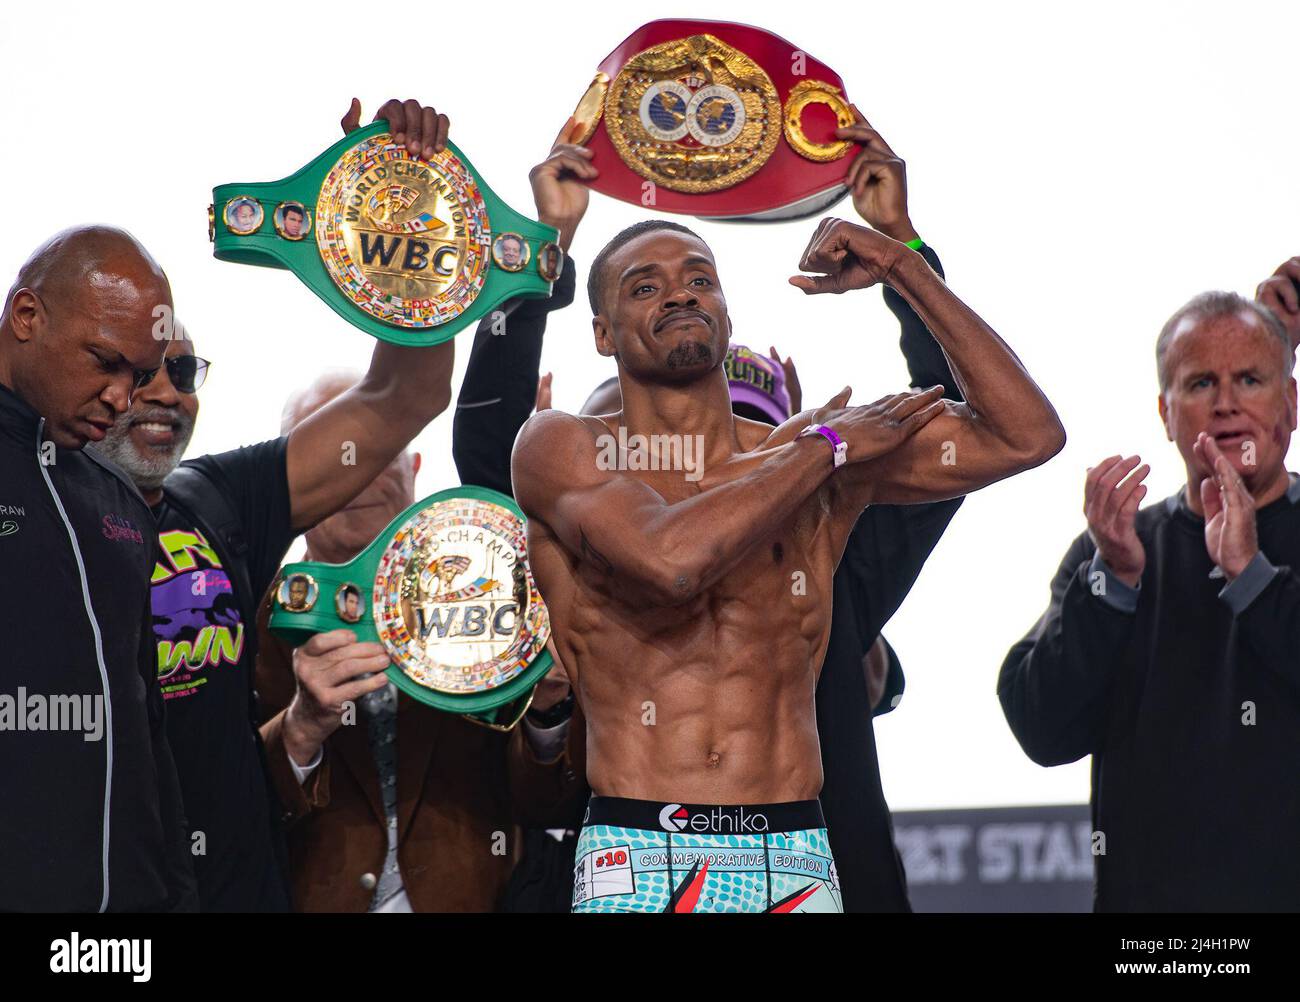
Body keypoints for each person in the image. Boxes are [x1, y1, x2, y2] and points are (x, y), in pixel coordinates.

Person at [511, 154, 1065, 910]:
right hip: (638, 847)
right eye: (646, 285)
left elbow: (1026, 436)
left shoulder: (809, 456)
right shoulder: (562, 446)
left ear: (728, 312)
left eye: (699, 277)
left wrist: (905, 269)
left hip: (796, 853)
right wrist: (825, 449)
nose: (680, 291)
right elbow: (669, 561)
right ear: (603, 334)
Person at [86, 98, 458, 912]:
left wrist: (397, 200)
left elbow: (409, 389)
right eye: (133, 366)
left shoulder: (221, 499)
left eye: (182, 372)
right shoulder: (22, 502)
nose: (160, 394)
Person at [253, 118, 593, 913]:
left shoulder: (495, 588)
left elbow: (549, 807)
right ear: (290, 472)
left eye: (376, 451)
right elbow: (215, 811)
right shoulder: (252, 616)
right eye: (333, 450)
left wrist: (547, 716)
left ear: (413, 466)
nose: (358, 469)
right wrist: (299, 733)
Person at [999, 290, 1300, 911]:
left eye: (1249, 379)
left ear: (1289, 405)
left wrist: (1252, 577)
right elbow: (1041, 729)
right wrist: (1112, 583)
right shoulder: (1116, 549)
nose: (1225, 404)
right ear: (1166, 413)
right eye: (1199, 384)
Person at [0, 225, 195, 911]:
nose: (123, 397)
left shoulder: (117, 500)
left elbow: (149, 738)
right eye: (104, 361)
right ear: (27, 317)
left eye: (138, 375)